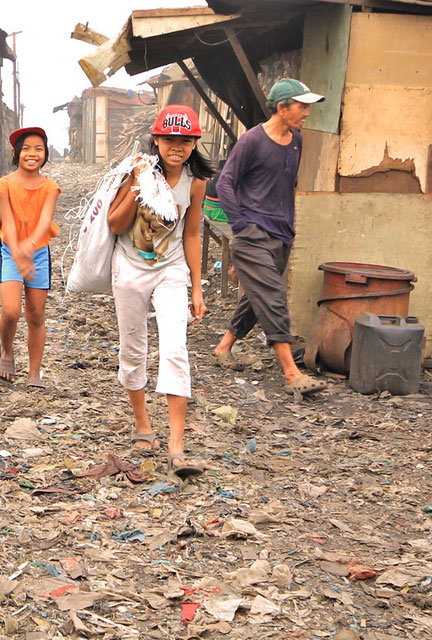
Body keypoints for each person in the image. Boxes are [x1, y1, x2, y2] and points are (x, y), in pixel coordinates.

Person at [107, 105, 215, 478]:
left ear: (193, 144)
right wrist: (139, 187)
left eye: (185, 140)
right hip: (130, 269)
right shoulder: (137, 172)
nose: (177, 147)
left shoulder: (195, 182)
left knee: (175, 348)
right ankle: (142, 425)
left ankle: (176, 445)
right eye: (170, 139)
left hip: (171, 270)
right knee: (133, 349)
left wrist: (197, 288)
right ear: (156, 140)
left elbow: (192, 233)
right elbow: (115, 222)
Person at [212, 78, 327, 397]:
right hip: (252, 233)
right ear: (282, 107)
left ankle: (224, 347)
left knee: (258, 295)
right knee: (274, 297)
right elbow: (224, 184)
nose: (306, 112)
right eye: (301, 106)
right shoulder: (252, 141)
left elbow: (284, 187)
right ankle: (292, 373)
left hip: (281, 234)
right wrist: (241, 229)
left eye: (308, 107)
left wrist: (288, 226)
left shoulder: (297, 142)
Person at [0, 126, 60, 388]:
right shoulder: (4, 184)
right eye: (27, 148)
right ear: (16, 152)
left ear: (45, 154)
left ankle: (34, 373)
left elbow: (45, 222)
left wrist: (30, 248)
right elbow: (7, 223)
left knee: (36, 314)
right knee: (11, 311)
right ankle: (7, 351)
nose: (32, 154)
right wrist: (19, 252)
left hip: (39, 252)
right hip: (10, 251)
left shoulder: (50, 187)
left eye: (39, 149)